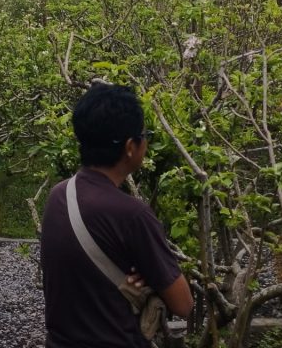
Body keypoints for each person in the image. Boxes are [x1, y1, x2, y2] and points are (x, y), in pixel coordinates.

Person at [40, 83, 193, 348]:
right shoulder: (132, 215)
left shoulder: (59, 195)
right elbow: (183, 304)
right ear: (130, 147)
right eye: (144, 135)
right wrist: (149, 280)